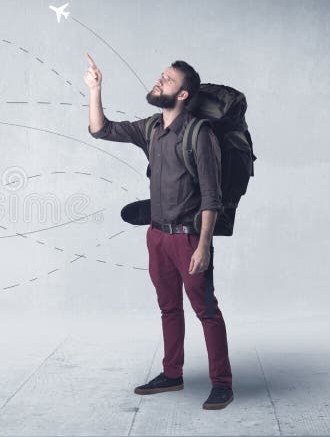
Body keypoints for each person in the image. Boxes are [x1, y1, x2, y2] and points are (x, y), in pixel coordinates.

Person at [84, 53, 233, 410]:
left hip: (189, 238)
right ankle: (172, 374)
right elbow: (100, 129)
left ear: (182, 95)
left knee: (206, 310)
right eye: (161, 76)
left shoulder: (199, 134)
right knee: (168, 308)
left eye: (167, 79)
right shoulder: (151, 127)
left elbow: (213, 197)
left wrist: (204, 247)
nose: (159, 81)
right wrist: (95, 89)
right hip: (157, 237)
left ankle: (222, 384)